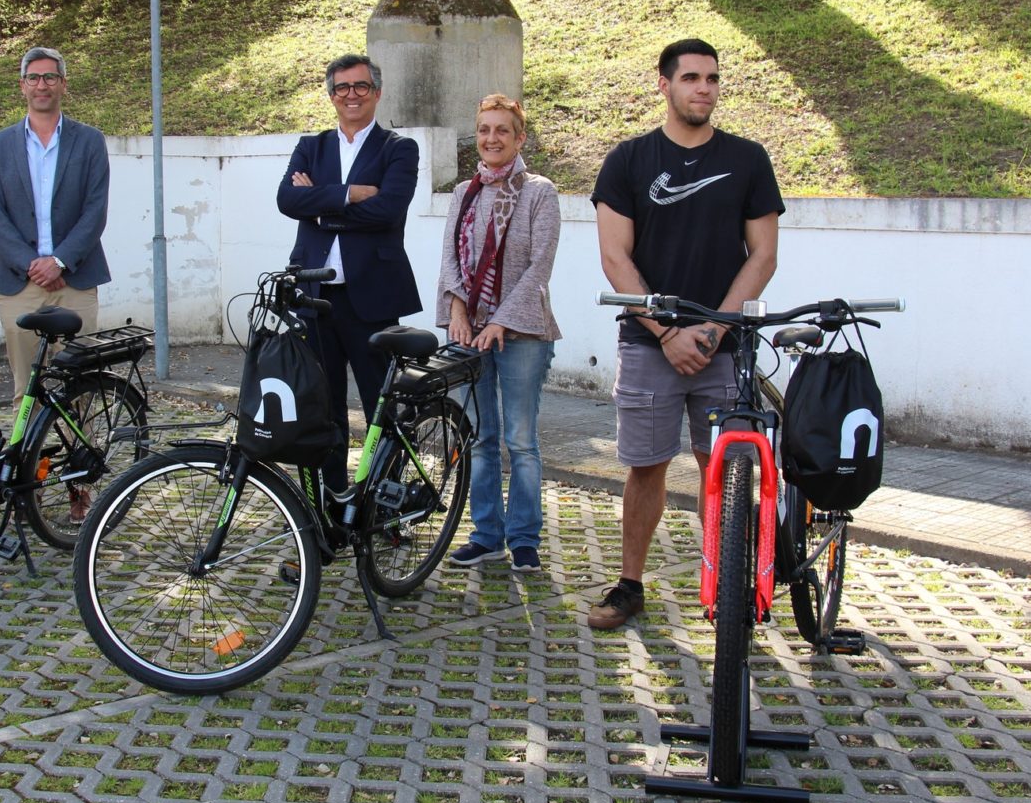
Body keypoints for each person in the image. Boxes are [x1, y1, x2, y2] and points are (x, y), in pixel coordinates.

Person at [587, 38, 784, 630]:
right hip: (649, 345)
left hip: (723, 348)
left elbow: (763, 255)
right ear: (664, 85)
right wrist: (669, 332)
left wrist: (715, 329)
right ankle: (629, 585)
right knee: (645, 465)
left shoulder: (748, 159)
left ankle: (724, 583)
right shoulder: (628, 161)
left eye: (713, 79)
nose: (705, 88)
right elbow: (615, 259)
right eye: (692, 78)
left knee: (720, 467)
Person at [276, 52, 422, 493]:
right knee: (322, 406)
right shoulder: (311, 146)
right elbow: (287, 200)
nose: (351, 95)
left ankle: (384, 499)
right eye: (342, 88)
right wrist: (349, 194)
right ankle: (331, 498)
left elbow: (389, 208)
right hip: (314, 298)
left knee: (384, 404)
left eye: (360, 87)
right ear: (331, 96)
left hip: (372, 298)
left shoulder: (399, 148)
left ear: (376, 93)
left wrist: (320, 206)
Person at [437, 95, 561, 573]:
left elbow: (538, 268)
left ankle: (524, 539)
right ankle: (486, 535)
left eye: (502, 130)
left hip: (524, 333)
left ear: (519, 138)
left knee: (521, 440)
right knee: (479, 439)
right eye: (484, 129)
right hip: (467, 331)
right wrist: (458, 311)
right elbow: (449, 256)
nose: (492, 138)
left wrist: (500, 321)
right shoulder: (463, 192)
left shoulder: (539, 192)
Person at [0, 46, 111, 401]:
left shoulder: (89, 141)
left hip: (75, 280)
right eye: (34, 77)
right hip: (19, 285)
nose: (42, 84)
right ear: (22, 85)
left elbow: (95, 210)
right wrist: (32, 264)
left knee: (80, 389)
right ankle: (31, 459)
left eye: (50, 77)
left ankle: (81, 457)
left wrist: (58, 261)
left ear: (63, 84)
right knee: (27, 391)